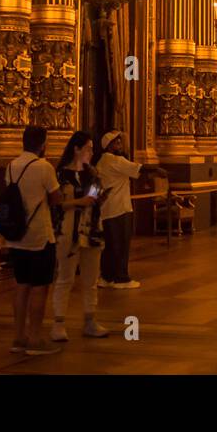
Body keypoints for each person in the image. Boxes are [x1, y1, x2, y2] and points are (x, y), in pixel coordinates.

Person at [3, 125, 68, 355]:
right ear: (42, 144)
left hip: (16, 237)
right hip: (40, 236)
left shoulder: (11, 166)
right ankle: (35, 338)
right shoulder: (44, 167)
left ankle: (18, 337)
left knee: (21, 287)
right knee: (40, 289)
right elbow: (56, 199)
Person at [50, 130, 110, 342]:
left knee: (90, 278)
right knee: (65, 278)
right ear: (76, 149)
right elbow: (55, 206)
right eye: (87, 148)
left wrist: (98, 199)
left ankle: (90, 320)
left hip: (91, 230)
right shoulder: (60, 174)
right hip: (67, 231)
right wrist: (78, 202)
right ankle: (58, 323)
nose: (91, 152)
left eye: (92, 149)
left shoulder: (91, 174)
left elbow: (95, 198)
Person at [96, 129, 168, 289]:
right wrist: (157, 170)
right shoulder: (114, 160)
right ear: (109, 145)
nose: (120, 145)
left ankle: (106, 277)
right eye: (117, 142)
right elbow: (139, 168)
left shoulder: (103, 161)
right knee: (121, 244)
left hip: (108, 209)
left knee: (109, 245)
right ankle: (121, 278)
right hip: (119, 208)